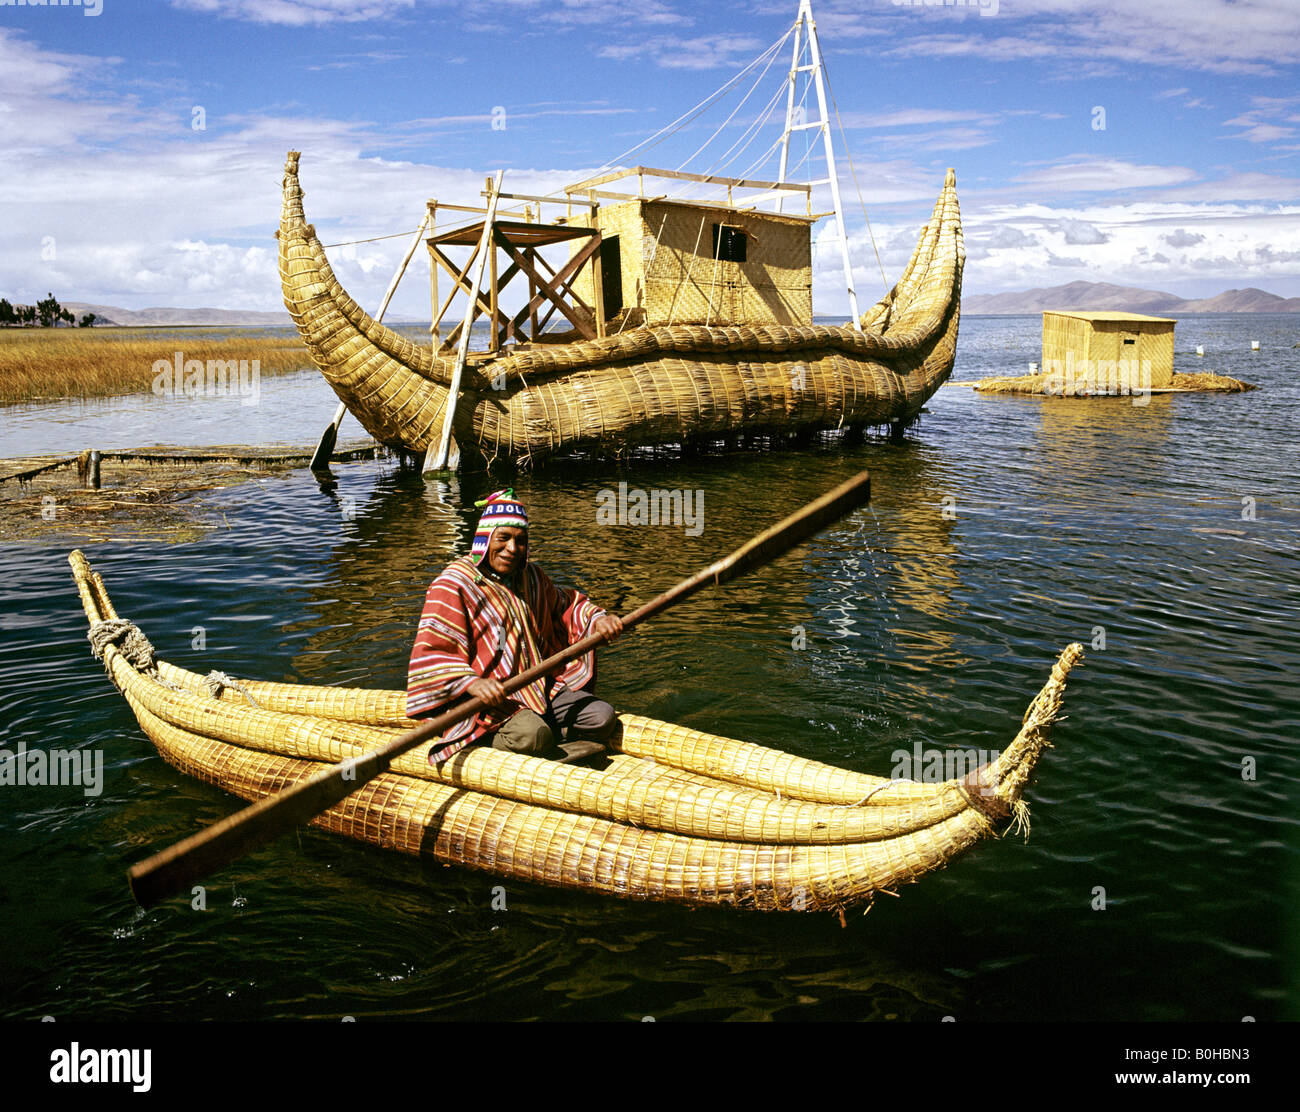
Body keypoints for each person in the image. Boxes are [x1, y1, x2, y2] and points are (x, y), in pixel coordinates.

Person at [407, 488, 624, 765]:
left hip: (538, 688)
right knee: (532, 736)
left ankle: (543, 729)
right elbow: (431, 650)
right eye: (504, 538)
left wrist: (598, 620)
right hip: (487, 704)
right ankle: (487, 739)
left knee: (602, 718)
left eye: (520, 541)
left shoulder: (531, 577)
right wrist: (472, 683)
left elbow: (566, 605)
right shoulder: (455, 584)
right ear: (485, 539)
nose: (512, 549)